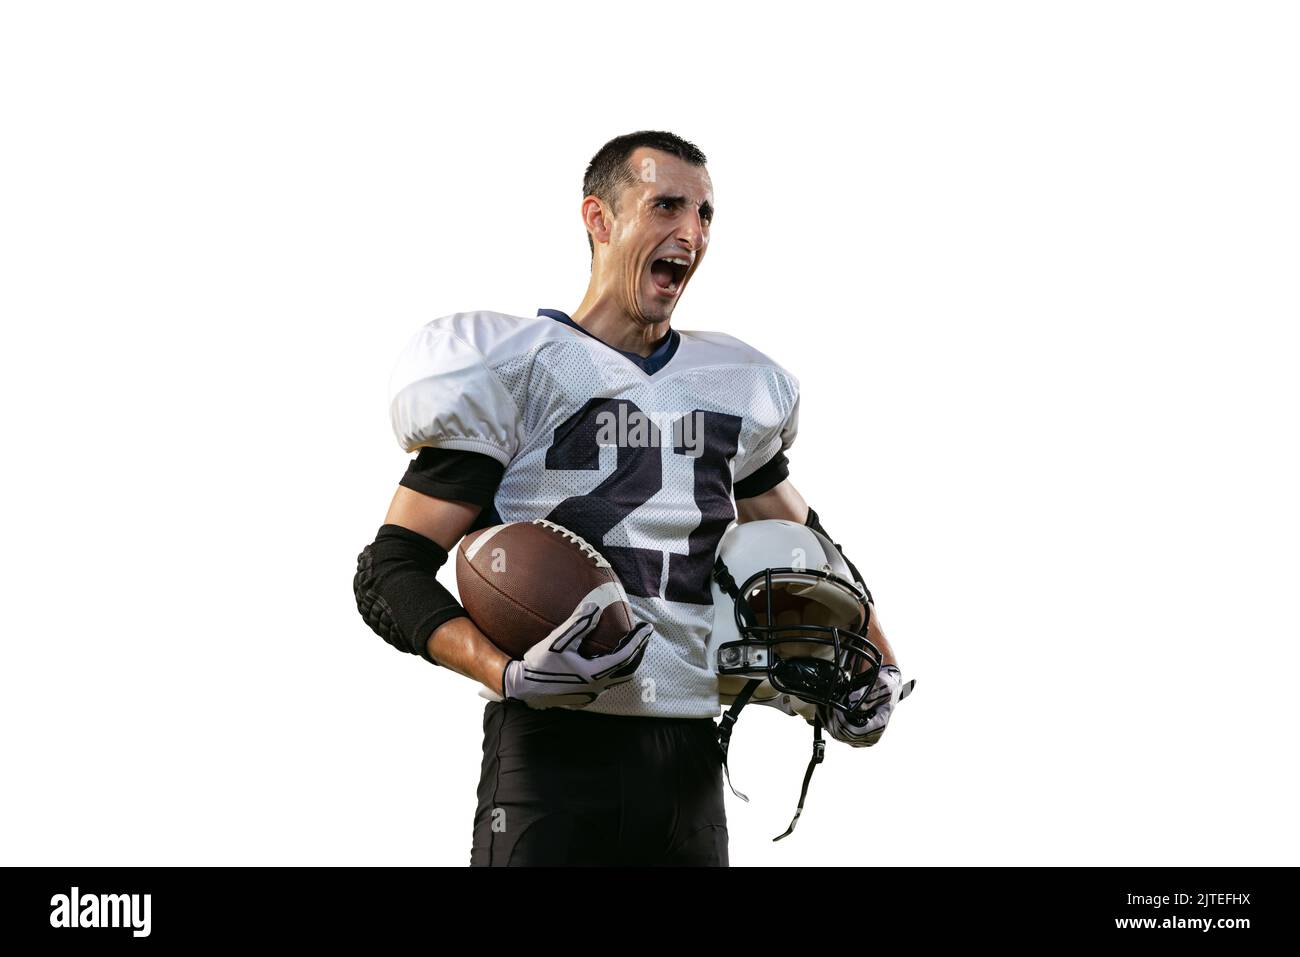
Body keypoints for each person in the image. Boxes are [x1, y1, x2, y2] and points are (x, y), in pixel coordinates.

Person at [353, 131, 908, 866]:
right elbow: (388, 570)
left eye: (706, 214)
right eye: (667, 205)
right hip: (551, 757)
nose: (693, 232)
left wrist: (880, 667)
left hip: (688, 762)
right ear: (600, 218)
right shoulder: (514, 369)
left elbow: (815, 552)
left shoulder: (736, 383)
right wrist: (506, 674)